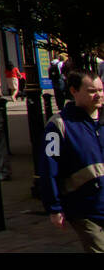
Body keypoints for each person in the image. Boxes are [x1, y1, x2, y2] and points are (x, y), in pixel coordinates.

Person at [41, 70, 104, 252]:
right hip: (85, 209)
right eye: (92, 91)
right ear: (74, 91)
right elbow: (48, 168)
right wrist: (54, 207)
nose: (98, 95)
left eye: (100, 90)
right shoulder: (58, 125)